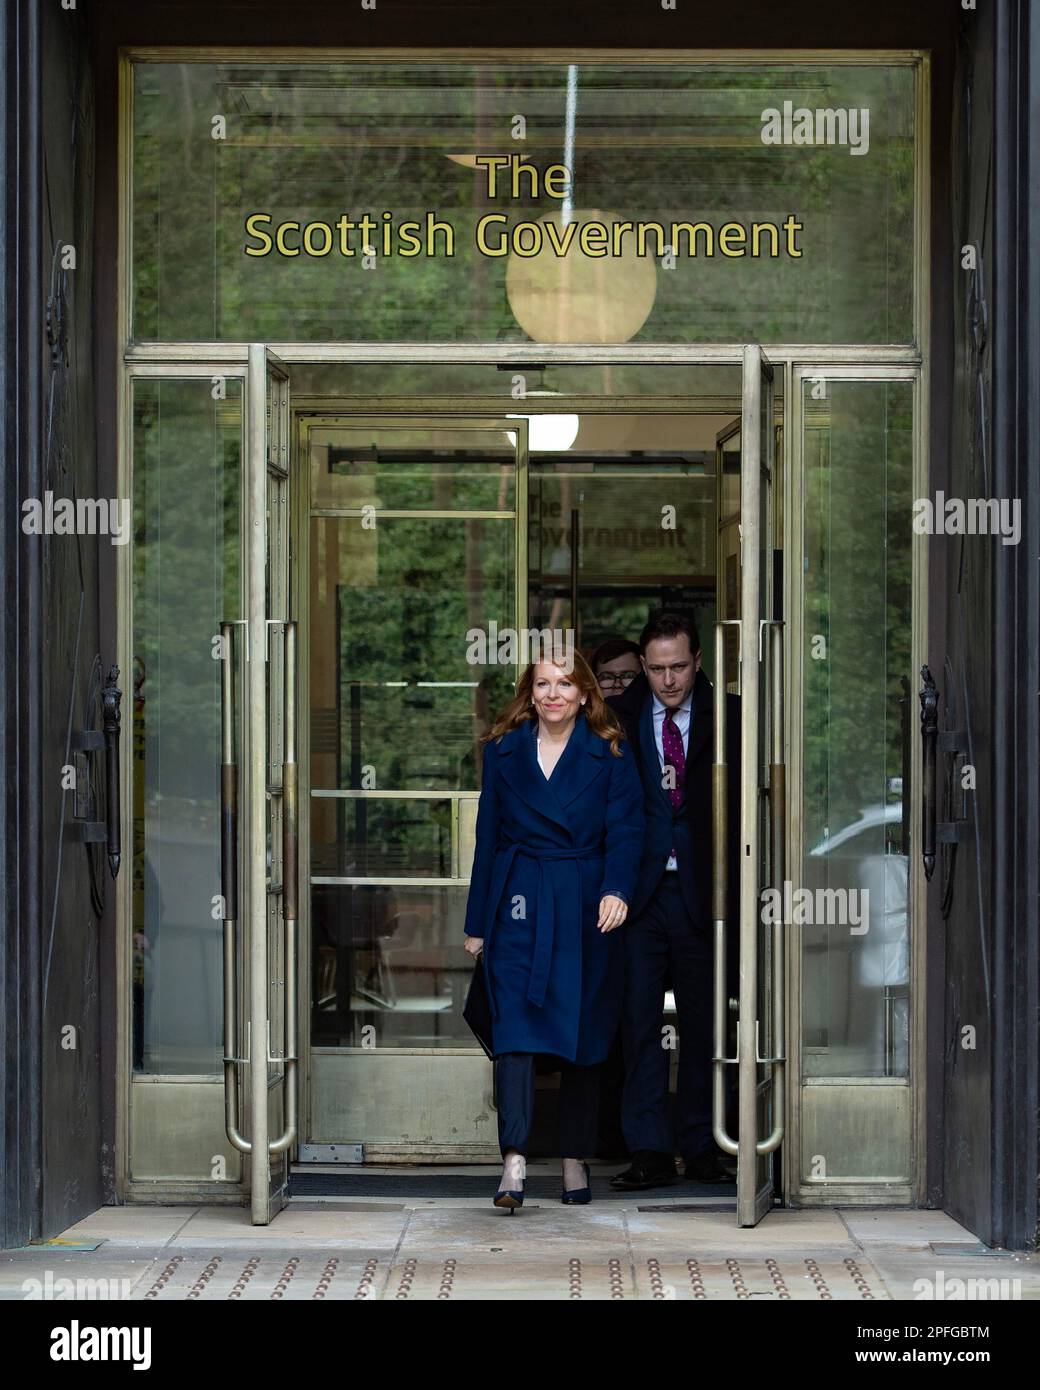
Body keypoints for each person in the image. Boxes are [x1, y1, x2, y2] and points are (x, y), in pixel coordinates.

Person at [463, 650, 645, 1210]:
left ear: (586, 694)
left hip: (586, 903)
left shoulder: (610, 753)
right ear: (531, 693)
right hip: (517, 901)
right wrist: (477, 924)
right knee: (514, 1032)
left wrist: (617, 889)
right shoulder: (503, 752)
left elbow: (628, 829)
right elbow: (488, 838)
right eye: (543, 684)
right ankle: (513, 1160)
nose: (554, 693)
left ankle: (574, 1156)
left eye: (566, 683)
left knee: (583, 1036)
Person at [607, 611, 741, 1189]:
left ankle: (704, 1146)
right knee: (638, 1024)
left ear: (698, 661)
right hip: (638, 895)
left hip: (704, 890)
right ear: (643, 665)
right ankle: (650, 1152)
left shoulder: (732, 716)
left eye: (679, 667)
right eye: (657, 668)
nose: (668, 680)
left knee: (705, 1024)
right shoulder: (617, 718)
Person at [589, 635, 645, 1159]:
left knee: (645, 1025)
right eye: (607, 678)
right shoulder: (587, 734)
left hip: (658, 891)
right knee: (603, 1020)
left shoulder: (644, 724)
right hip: (594, 895)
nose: (618, 688)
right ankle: (604, 1138)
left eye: (629, 677)